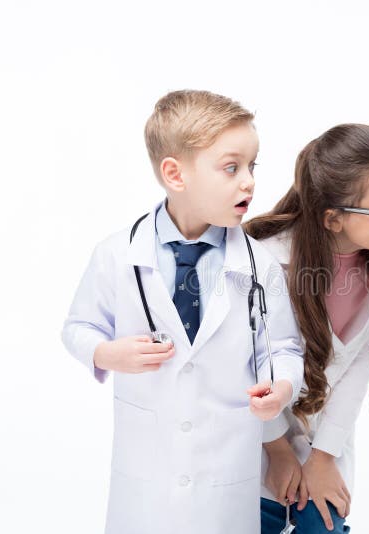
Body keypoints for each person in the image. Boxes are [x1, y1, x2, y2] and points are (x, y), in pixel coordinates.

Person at [61, 89, 304, 534]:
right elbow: (78, 327)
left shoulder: (259, 265)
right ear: (175, 174)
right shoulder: (117, 254)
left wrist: (283, 385)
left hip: (226, 474)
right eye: (232, 168)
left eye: (252, 166)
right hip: (147, 474)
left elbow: (283, 346)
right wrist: (105, 354)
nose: (248, 181)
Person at [245, 123, 369, 533]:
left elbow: (357, 367)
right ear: (333, 219)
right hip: (257, 438)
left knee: (322, 523)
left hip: (322, 442)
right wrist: (278, 449)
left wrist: (322, 457)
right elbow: (246, 365)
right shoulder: (266, 263)